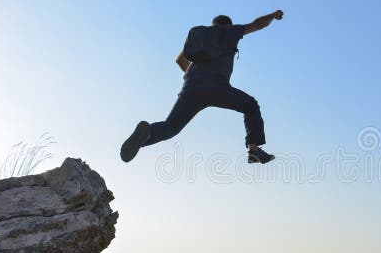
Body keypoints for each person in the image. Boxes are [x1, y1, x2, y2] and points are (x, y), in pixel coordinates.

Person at [120, 10, 283, 164]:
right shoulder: (230, 32)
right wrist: (273, 15)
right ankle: (253, 150)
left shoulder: (199, 38)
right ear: (228, 25)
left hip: (190, 88)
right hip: (218, 87)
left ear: (212, 25)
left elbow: (179, 60)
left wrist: (195, 79)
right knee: (250, 105)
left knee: (171, 126)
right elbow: (257, 24)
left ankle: (146, 134)